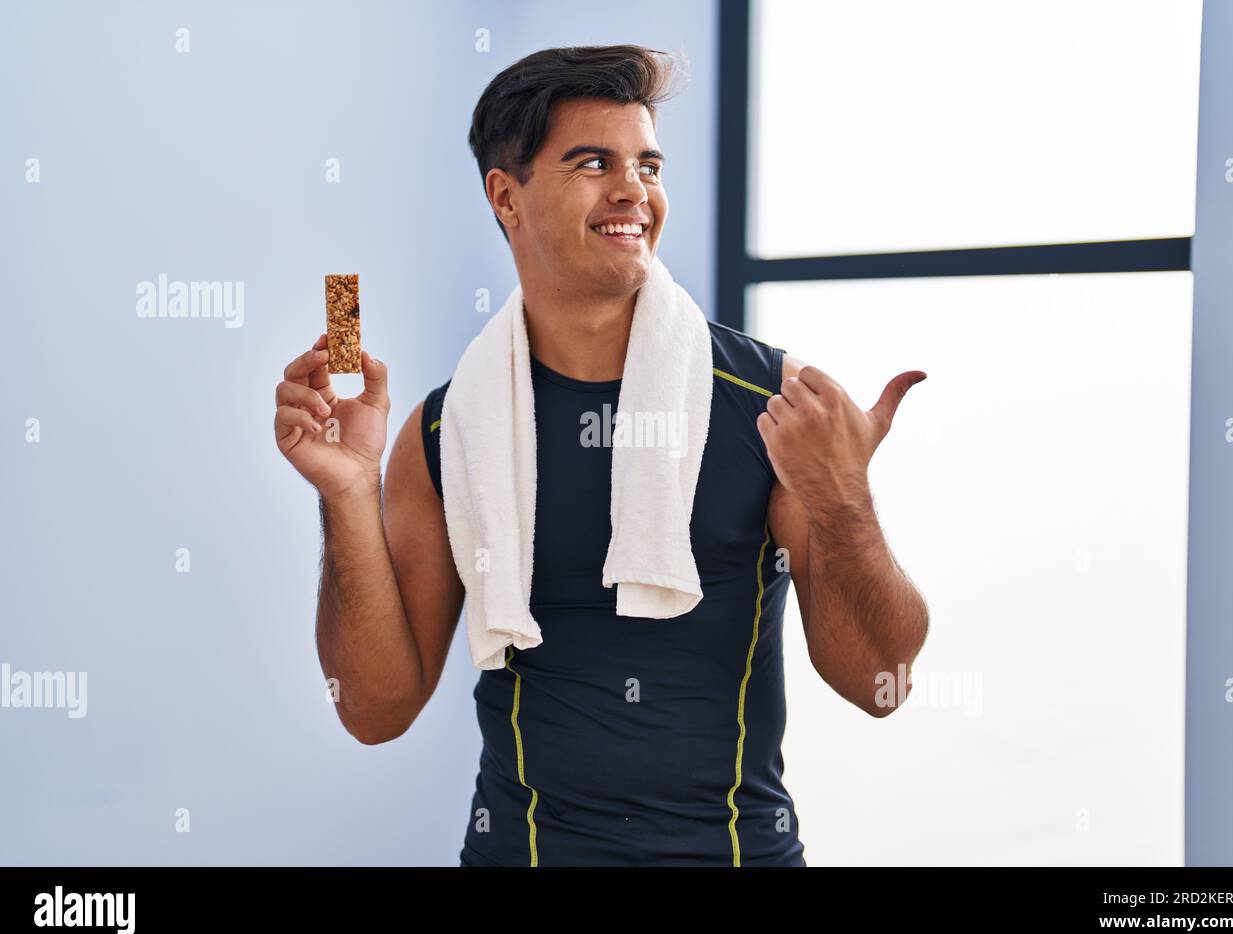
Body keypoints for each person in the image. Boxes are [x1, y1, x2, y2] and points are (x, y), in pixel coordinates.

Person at [273, 45, 929, 867]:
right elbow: (375, 712)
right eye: (594, 162)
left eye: (648, 165)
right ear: (506, 199)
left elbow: (882, 684)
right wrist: (346, 491)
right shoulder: (445, 431)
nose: (634, 190)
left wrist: (842, 502)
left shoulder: (773, 403)